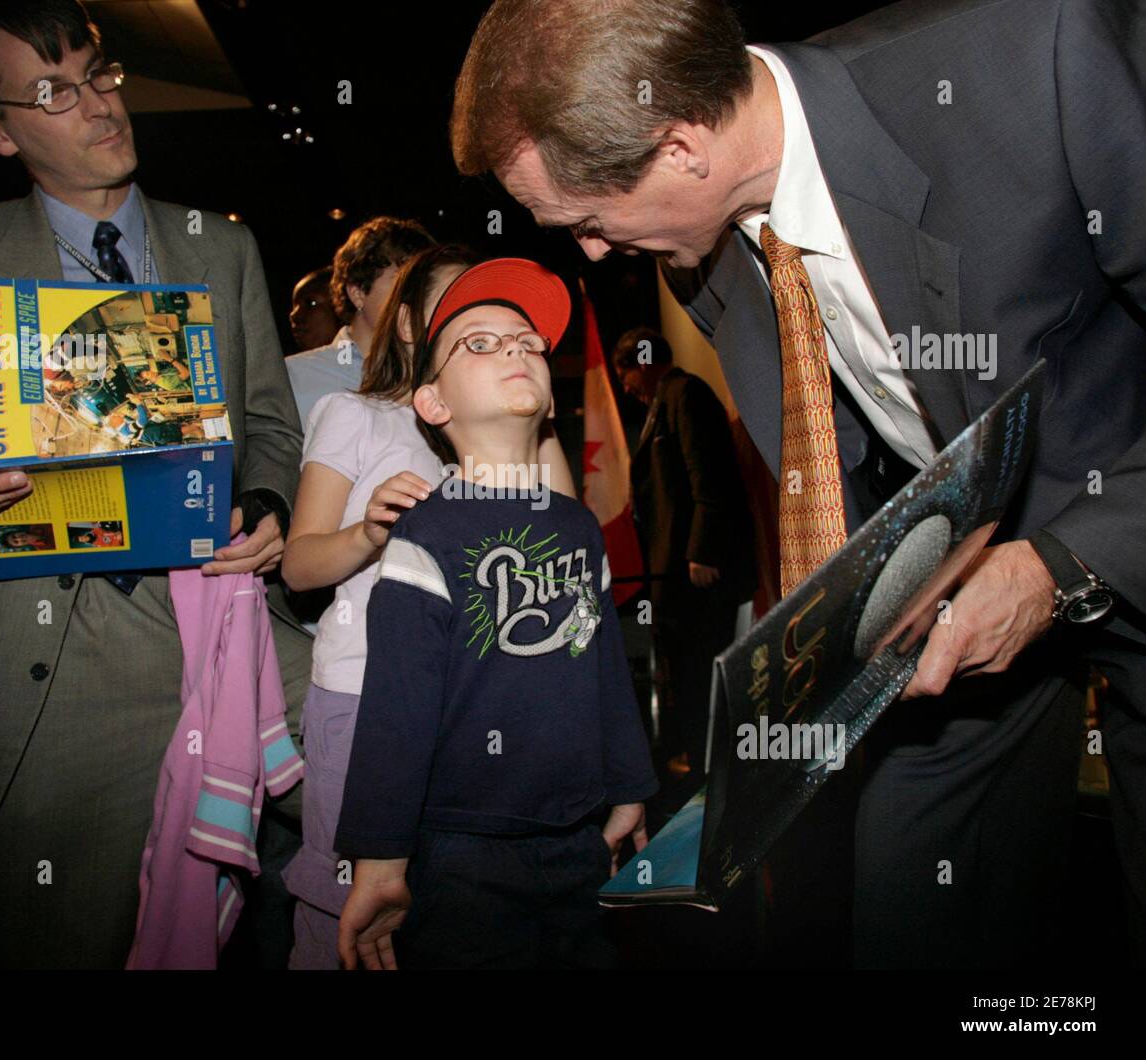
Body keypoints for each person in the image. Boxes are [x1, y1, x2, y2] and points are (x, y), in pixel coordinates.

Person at [452, 0, 1146, 967]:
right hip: (954, 586)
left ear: (680, 146)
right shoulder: (705, 246)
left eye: (588, 222)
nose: (595, 253)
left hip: (1127, 525)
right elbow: (851, 451)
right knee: (911, 901)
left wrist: (1055, 568)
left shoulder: (1048, 59)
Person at [0, 0, 311, 968]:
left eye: (101, 74)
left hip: (223, 642)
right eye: (53, 91)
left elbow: (270, 422)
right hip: (46, 682)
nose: (100, 106)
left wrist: (265, 504)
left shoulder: (220, 249)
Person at [335, 258, 658, 970]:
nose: (515, 348)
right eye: (479, 343)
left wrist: (630, 787)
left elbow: (606, 666)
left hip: (578, 835)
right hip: (460, 852)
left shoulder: (576, 527)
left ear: (547, 393)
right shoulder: (426, 535)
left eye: (528, 342)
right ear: (433, 405)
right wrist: (381, 861)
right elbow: (396, 709)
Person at [280, 246, 577, 967]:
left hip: (482, 710)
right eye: (467, 317)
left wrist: (534, 425)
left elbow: (567, 560)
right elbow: (299, 563)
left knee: (456, 914)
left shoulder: (516, 425)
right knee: (344, 917)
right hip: (362, 693)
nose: (502, 338)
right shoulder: (353, 415)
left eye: (515, 332)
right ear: (412, 323)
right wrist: (368, 533)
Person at [613, 327, 755, 777]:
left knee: (703, 669)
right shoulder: (661, 406)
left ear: (643, 363)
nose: (625, 388)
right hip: (674, 577)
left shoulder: (686, 393)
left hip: (698, 574)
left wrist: (702, 553)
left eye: (625, 375)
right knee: (689, 673)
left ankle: (713, 770)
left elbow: (708, 475)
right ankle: (701, 761)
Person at [284, 217, 434, 429]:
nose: (418, 294)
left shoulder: (437, 378)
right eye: (403, 280)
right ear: (358, 293)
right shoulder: (293, 378)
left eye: (425, 283)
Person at [288, 266, 339, 352]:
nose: (294, 315)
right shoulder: (289, 364)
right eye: (294, 307)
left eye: (311, 303)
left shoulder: (364, 362)